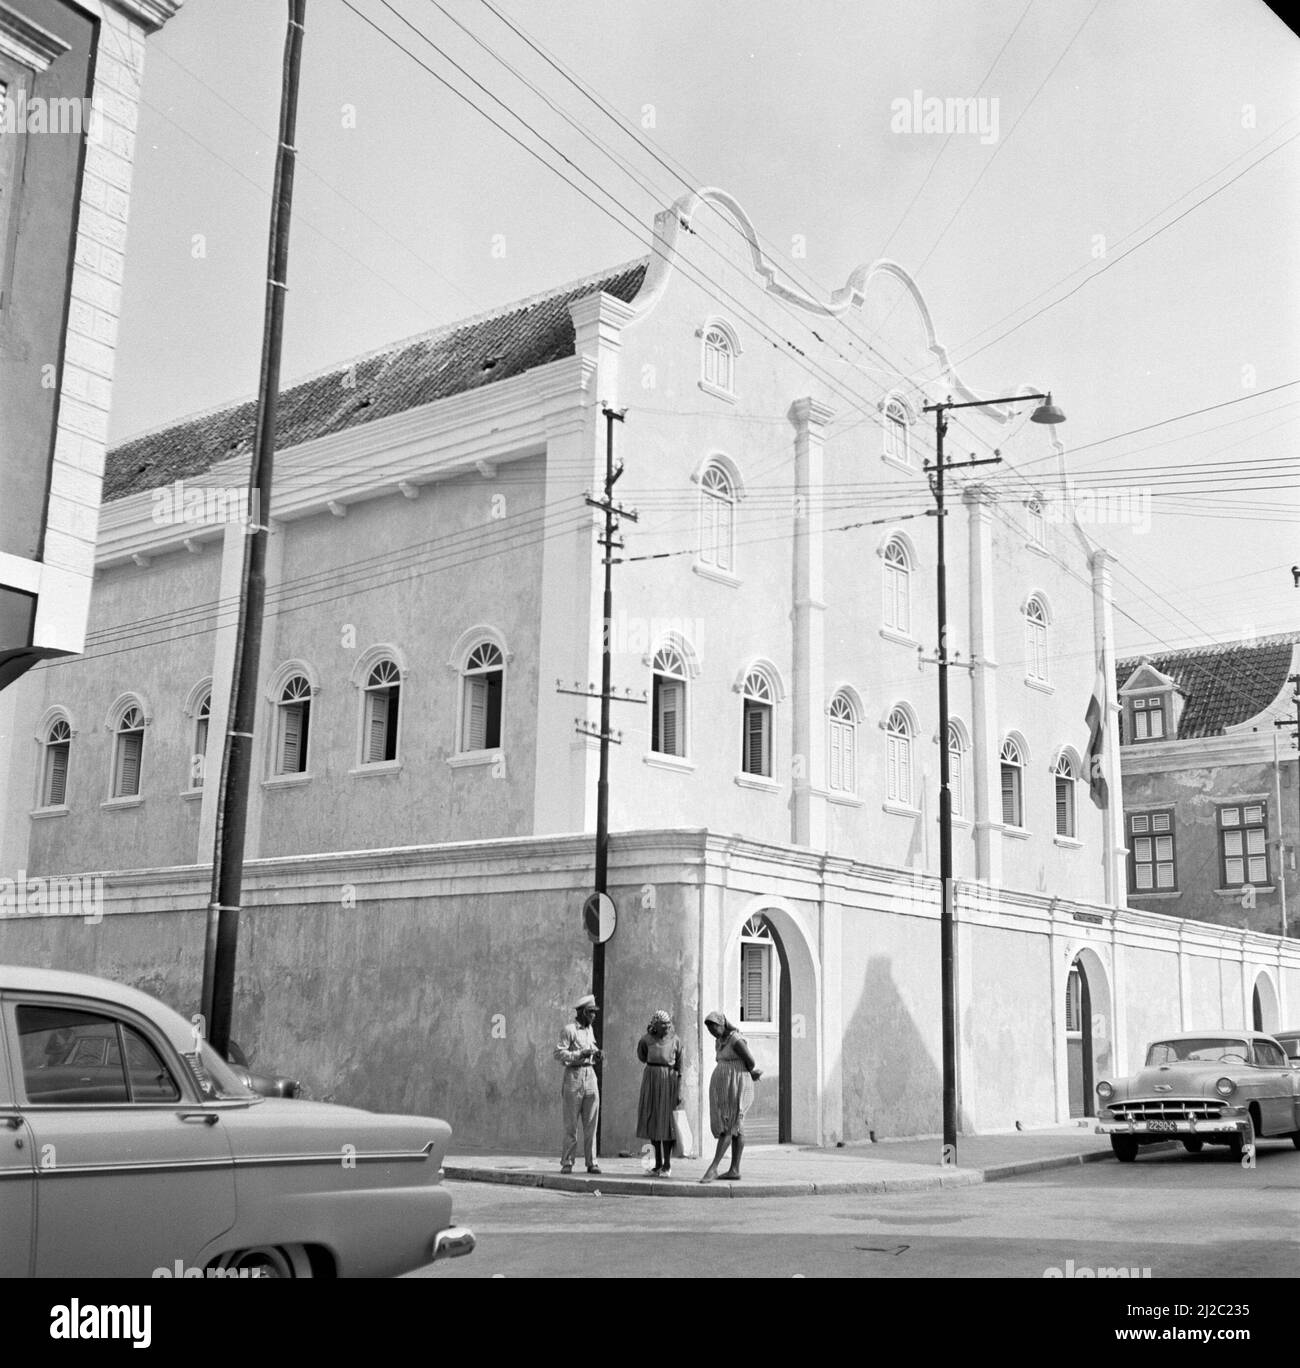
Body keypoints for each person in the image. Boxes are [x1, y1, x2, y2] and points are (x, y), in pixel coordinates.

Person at [699, 1010, 762, 1183]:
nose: (712, 1033)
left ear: (722, 1024)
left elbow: (750, 1060)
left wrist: (749, 1073)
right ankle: (734, 1169)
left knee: (730, 1124)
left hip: (738, 1084)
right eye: (710, 1030)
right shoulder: (719, 1040)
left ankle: (713, 1168)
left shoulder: (735, 1039)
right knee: (737, 1127)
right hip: (726, 1086)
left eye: (714, 1029)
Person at [554, 994, 603, 1174]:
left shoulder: (589, 1030)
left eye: (594, 1012)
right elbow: (558, 1053)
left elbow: (592, 1048)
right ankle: (567, 1161)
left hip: (590, 1075)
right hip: (573, 1076)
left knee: (592, 1122)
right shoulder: (569, 1030)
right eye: (590, 1012)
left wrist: (596, 1054)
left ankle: (592, 1162)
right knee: (570, 1124)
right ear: (582, 1012)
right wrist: (579, 1055)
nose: (593, 1016)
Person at [636, 1009, 682, 1177]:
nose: (667, 1027)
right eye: (663, 1024)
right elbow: (642, 1056)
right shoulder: (646, 1040)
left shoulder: (675, 1040)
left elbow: (679, 1067)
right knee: (653, 1121)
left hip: (668, 1081)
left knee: (666, 1124)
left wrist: (678, 1090)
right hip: (651, 1080)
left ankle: (668, 1165)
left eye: (668, 1024)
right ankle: (658, 1164)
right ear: (655, 1025)